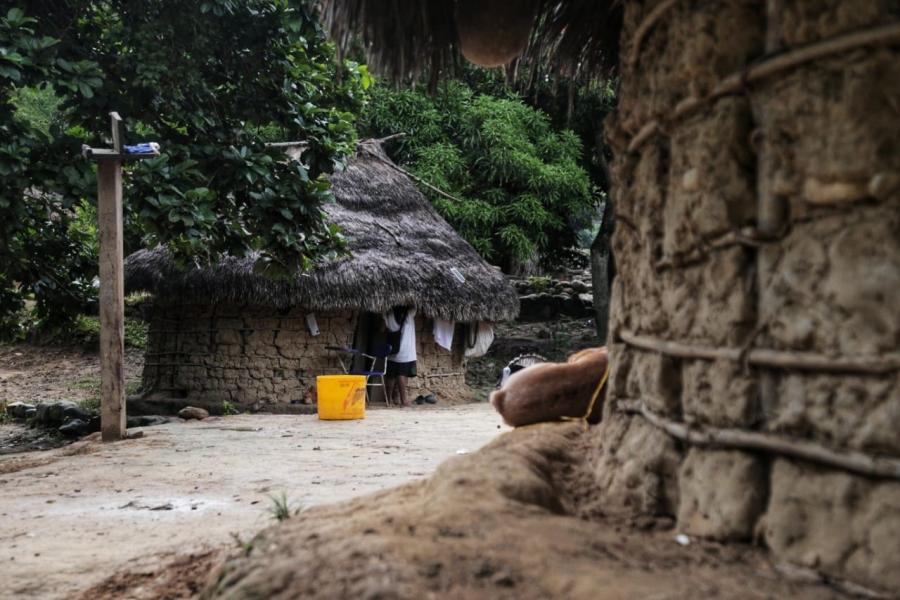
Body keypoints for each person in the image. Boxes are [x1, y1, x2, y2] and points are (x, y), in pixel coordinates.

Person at [383, 306, 417, 407]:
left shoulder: (388, 313)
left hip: (392, 350)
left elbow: (382, 328)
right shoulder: (409, 313)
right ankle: (404, 400)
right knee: (401, 374)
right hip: (405, 351)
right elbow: (415, 304)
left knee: (390, 375)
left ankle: (388, 400)